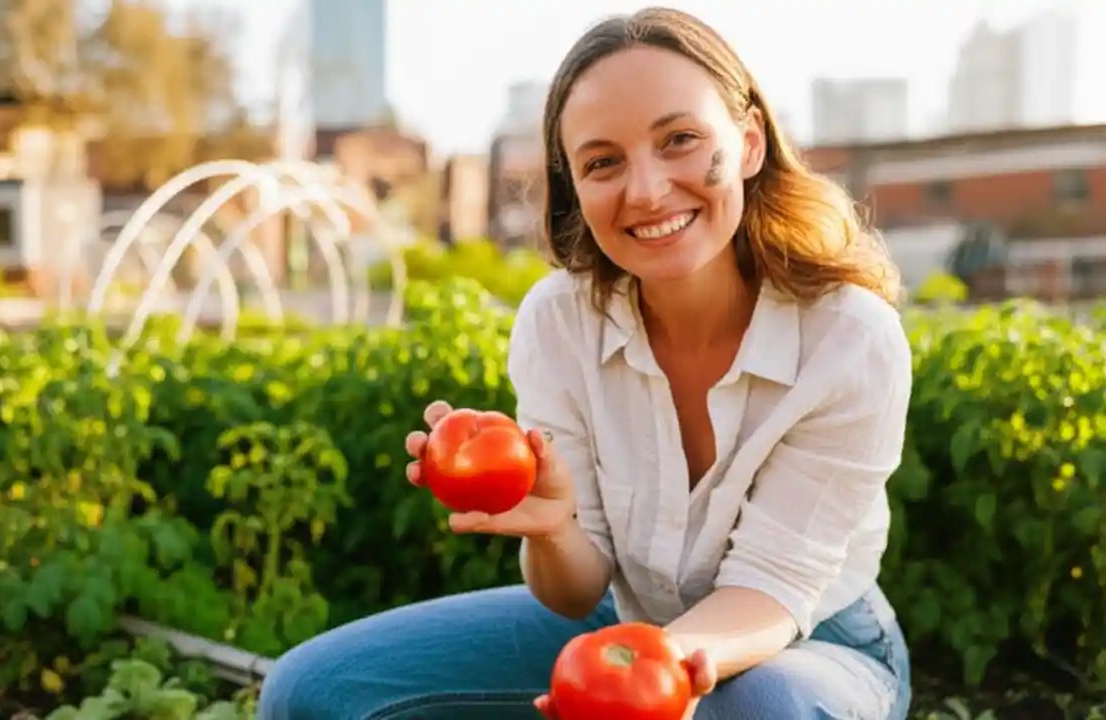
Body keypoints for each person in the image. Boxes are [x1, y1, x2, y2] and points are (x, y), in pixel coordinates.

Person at [258, 6, 914, 719]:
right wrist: (553, 528)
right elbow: (576, 591)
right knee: (311, 693)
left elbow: (774, 589)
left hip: (809, 642)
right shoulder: (558, 322)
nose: (647, 190)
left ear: (750, 141)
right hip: (626, 623)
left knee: (760, 709)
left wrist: (642, 678)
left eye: (681, 140)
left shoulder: (850, 339)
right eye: (603, 162)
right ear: (574, 184)